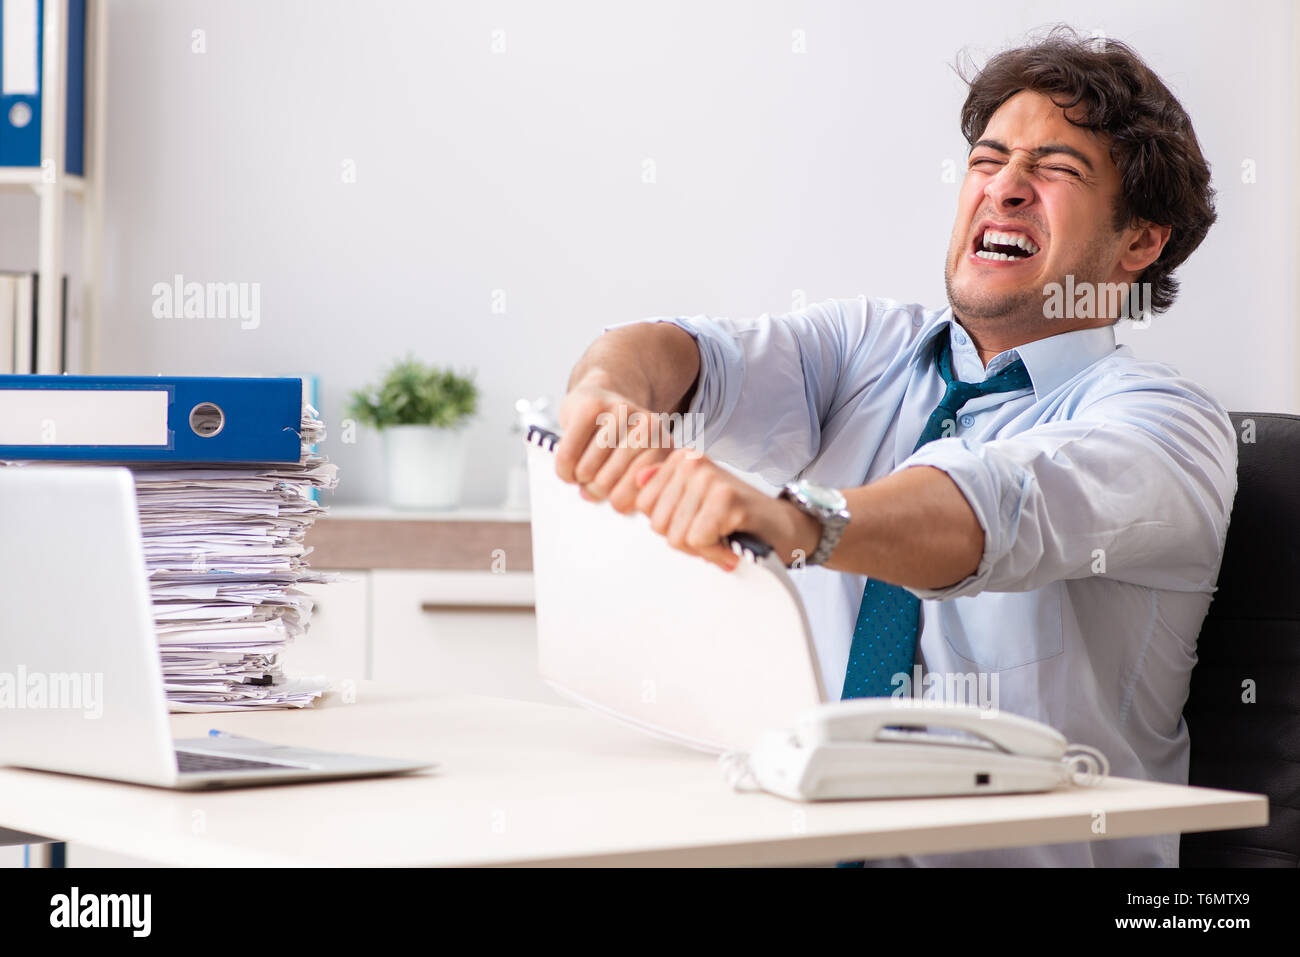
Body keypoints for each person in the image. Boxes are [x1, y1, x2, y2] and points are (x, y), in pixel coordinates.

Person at [554, 26, 1235, 866]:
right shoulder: (864, 345)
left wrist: (801, 518)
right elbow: (681, 352)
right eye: (988, 160)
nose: (1006, 188)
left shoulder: (1168, 427)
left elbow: (997, 507)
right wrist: (606, 391)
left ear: (1140, 241)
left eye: (1056, 169)